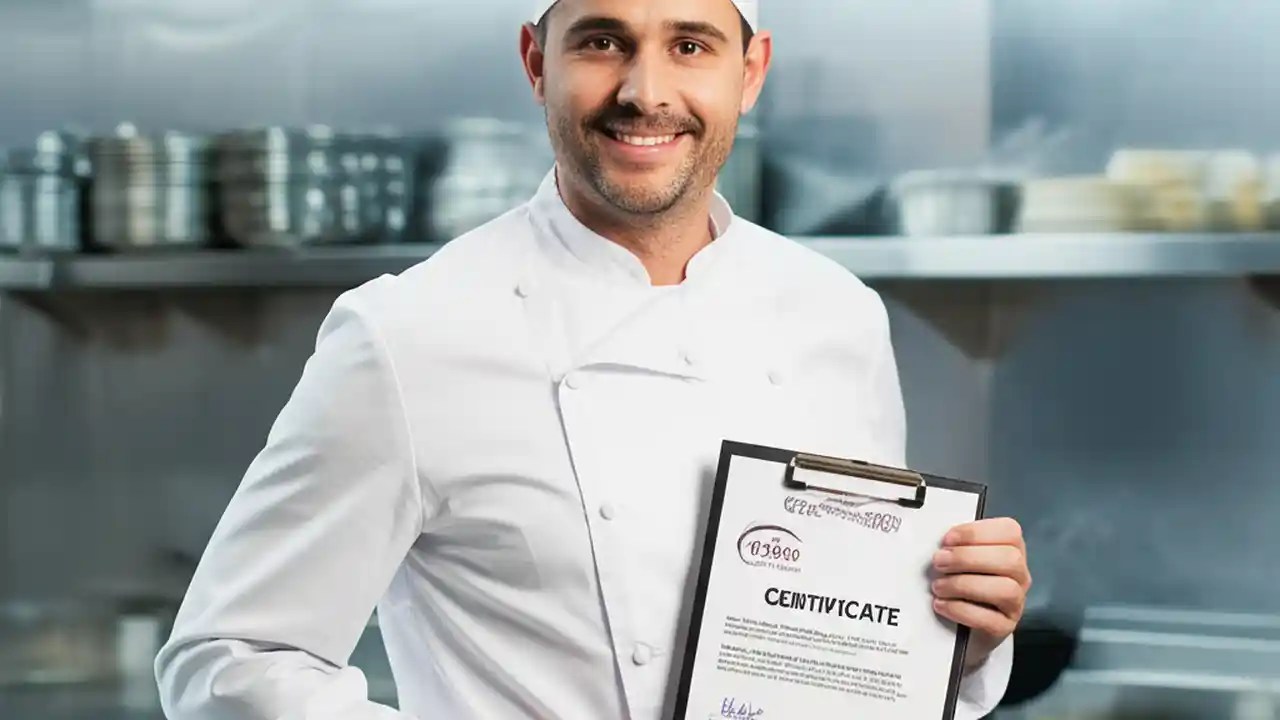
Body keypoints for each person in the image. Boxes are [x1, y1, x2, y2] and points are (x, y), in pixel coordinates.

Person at [155, 0, 1030, 718]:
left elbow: (849, 651)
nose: (647, 92)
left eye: (691, 45)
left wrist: (963, 636)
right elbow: (227, 660)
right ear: (537, 61)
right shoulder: (408, 333)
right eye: (604, 41)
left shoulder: (837, 313)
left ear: (751, 70)